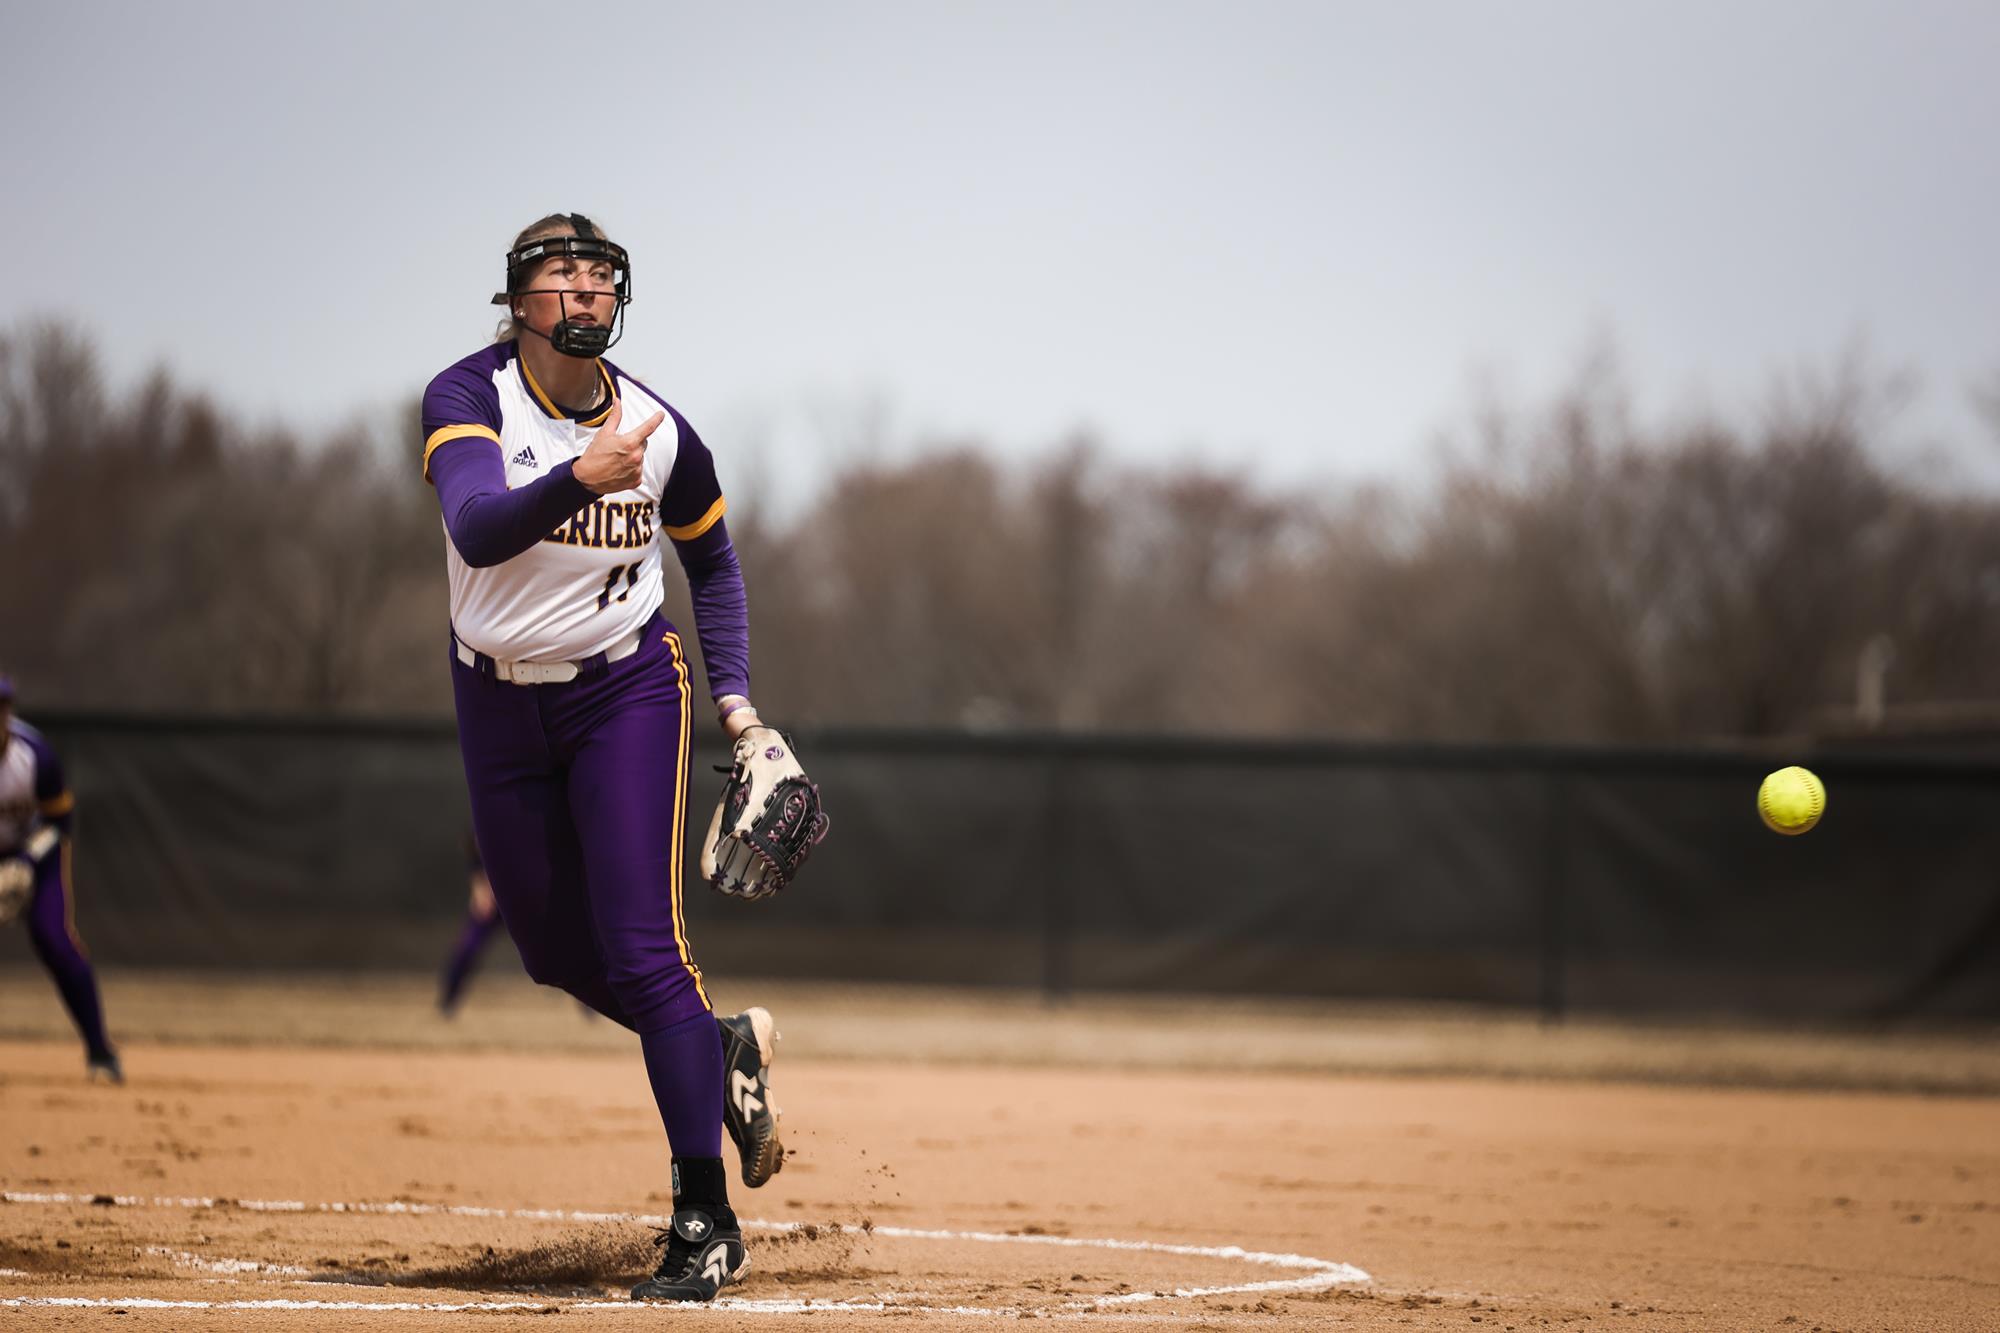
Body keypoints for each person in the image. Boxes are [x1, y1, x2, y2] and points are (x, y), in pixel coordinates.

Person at [420, 213, 784, 1303]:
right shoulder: (467, 397)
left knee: (638, 949)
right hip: (493, 701)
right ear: (517, 301)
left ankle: (703, 1221)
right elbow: (479, 528)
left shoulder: (659, 429)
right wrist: (582, 475)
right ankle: (718, 1044)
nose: (583, 293)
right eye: (560, 276)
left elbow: (712, 563)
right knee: (548, 951)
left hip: (624, 690)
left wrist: (736, 706)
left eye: (599, 277)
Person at [0, 675, 120, 1083]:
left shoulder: (35, 755)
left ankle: (101, 1053)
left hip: (37, 855)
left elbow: (59, 822)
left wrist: (28, 863)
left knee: (54, 938)